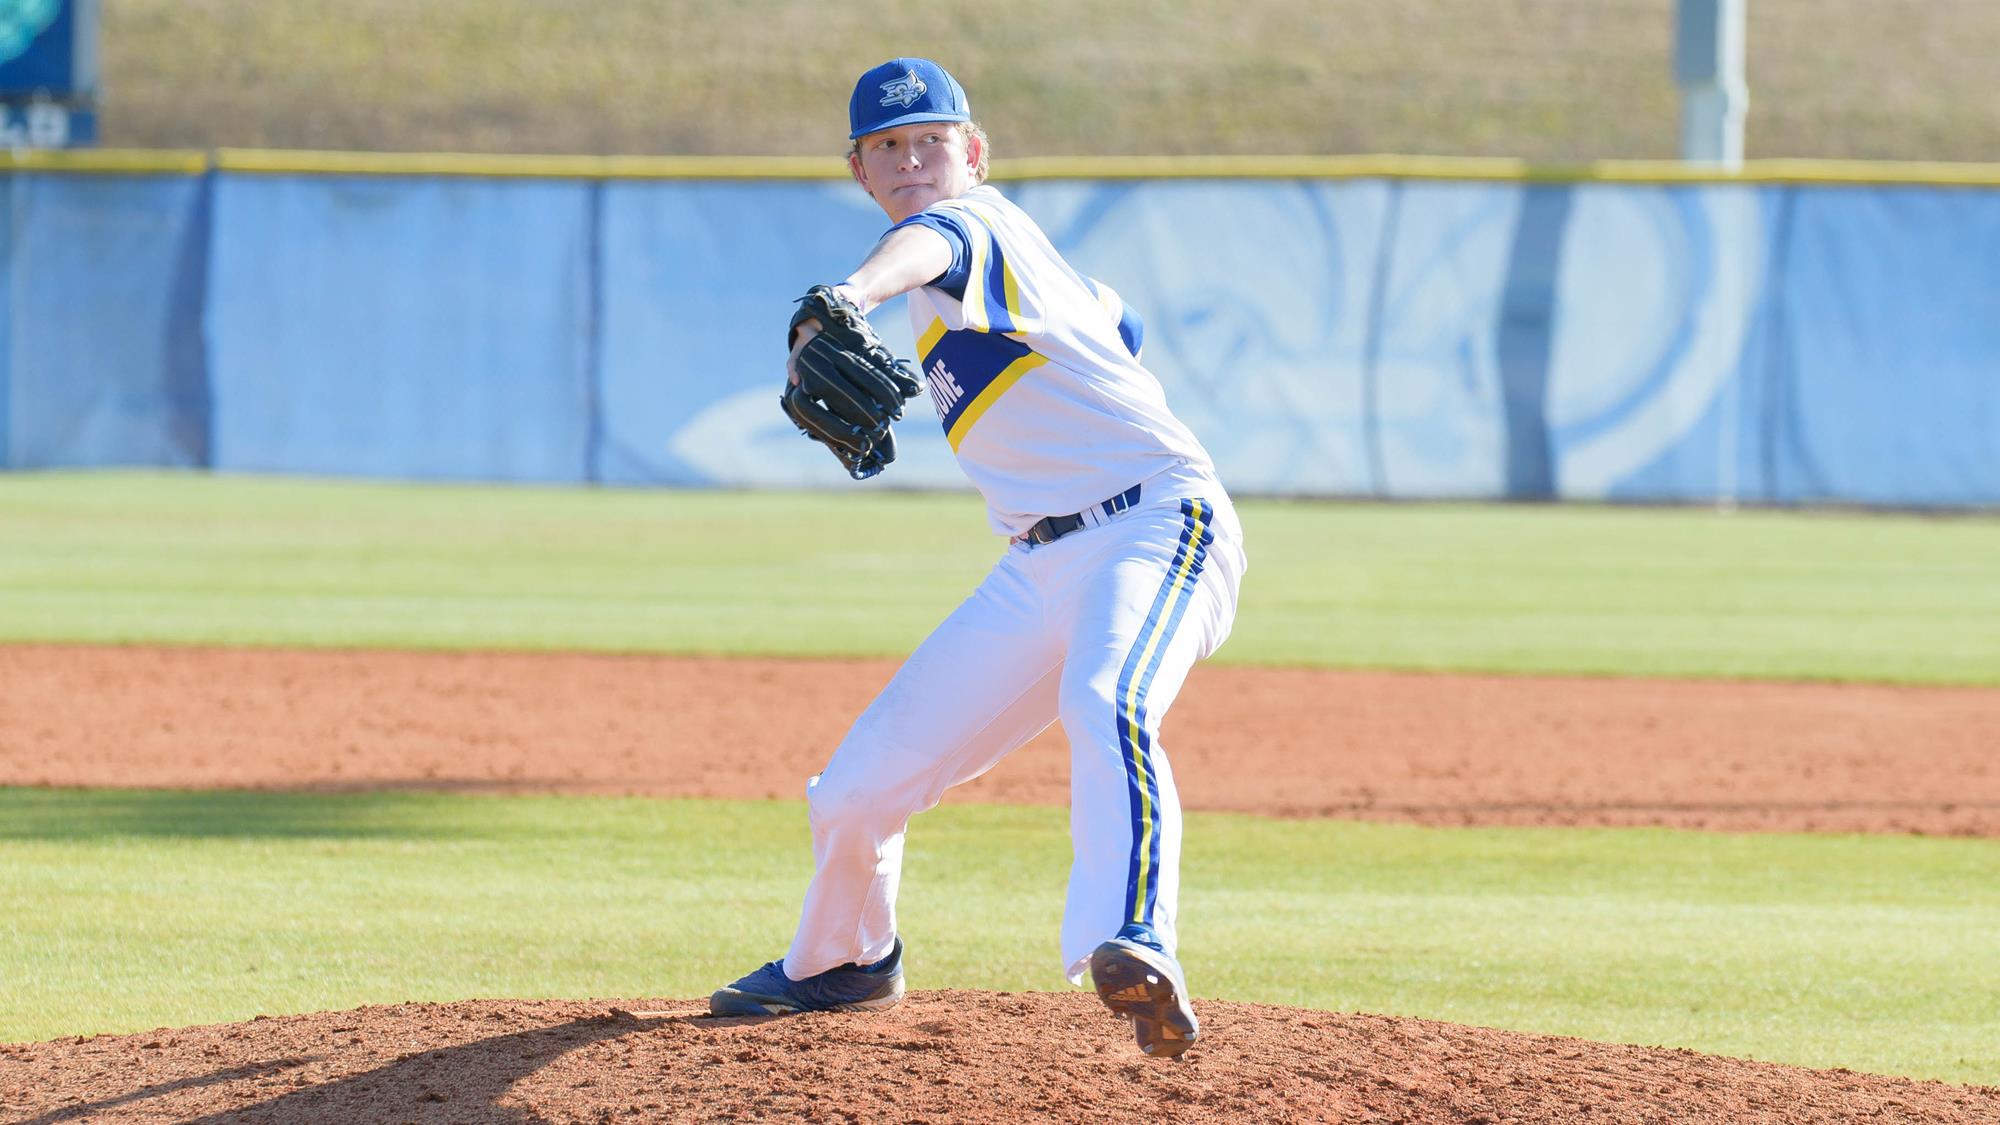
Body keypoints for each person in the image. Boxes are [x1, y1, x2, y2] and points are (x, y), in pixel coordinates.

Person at [709, 57, 1247, 1059]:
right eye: (887, 146)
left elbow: (932, 241)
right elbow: (1118, 320)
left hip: (1154, 524)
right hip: (1036, 566)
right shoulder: (1003, 268)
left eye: (932, 140)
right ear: (859, 170)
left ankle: (1137, 937)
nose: (911, 159)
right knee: (855, 791)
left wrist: (845, 295)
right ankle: (846, 958)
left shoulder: (973, 227)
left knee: (1108, 700)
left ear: (975, 154)